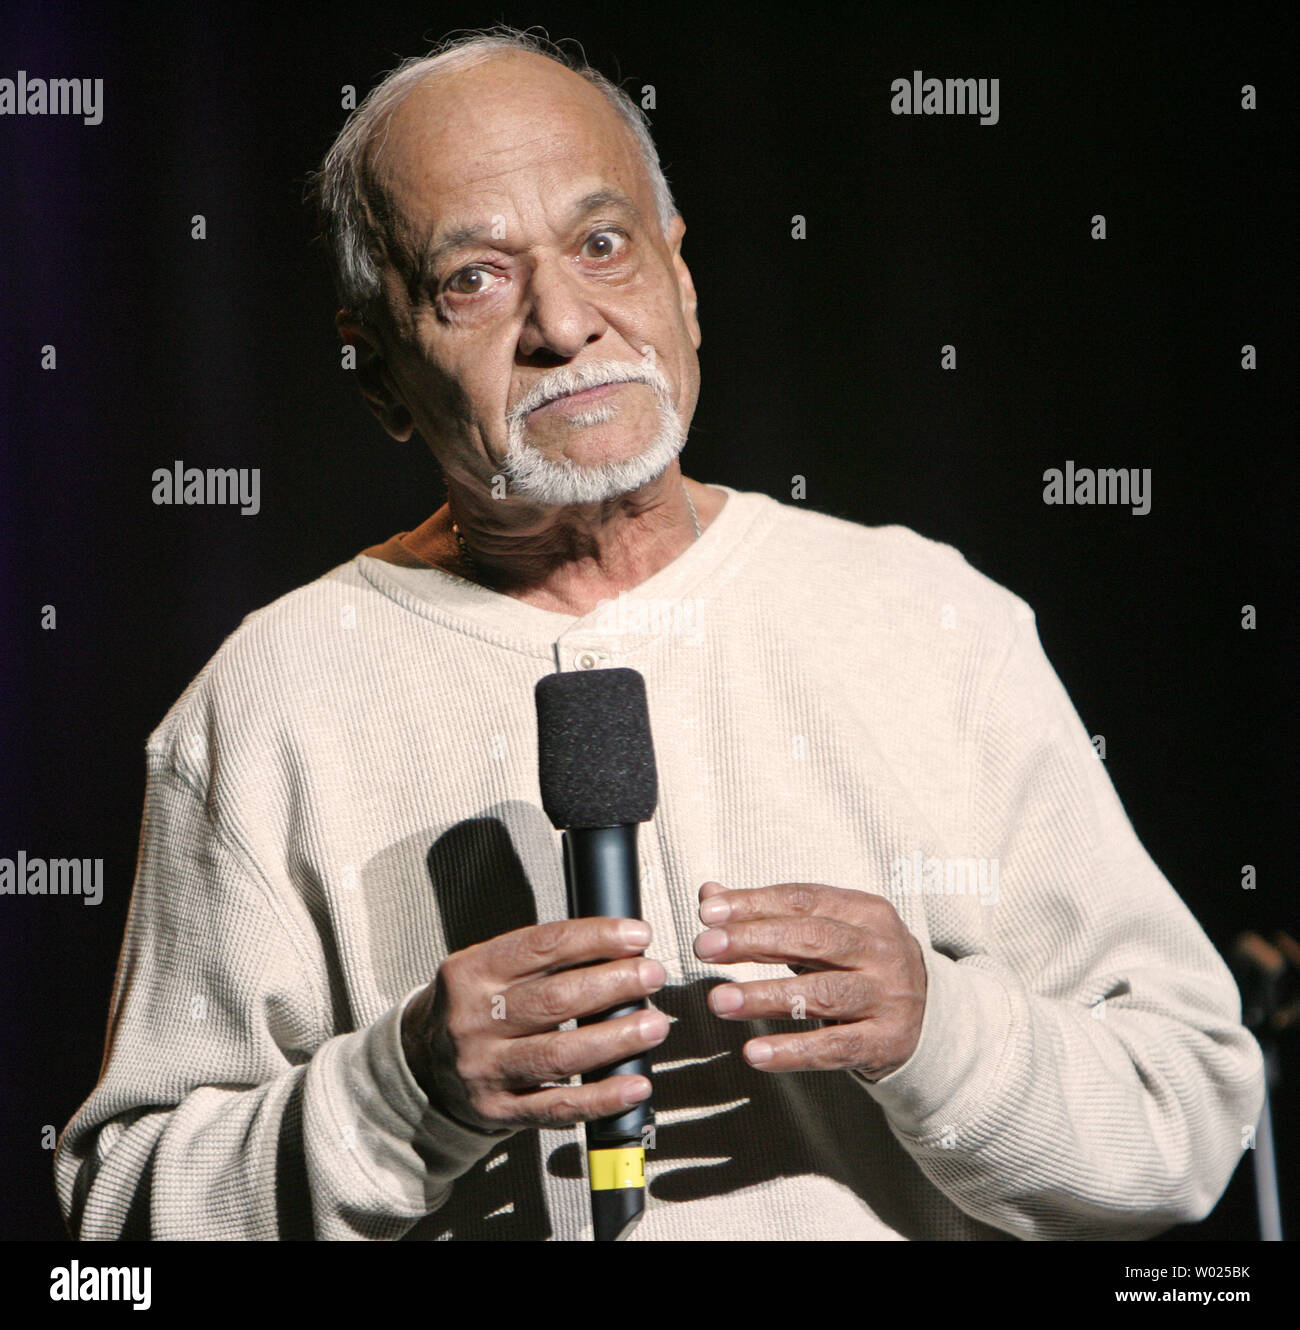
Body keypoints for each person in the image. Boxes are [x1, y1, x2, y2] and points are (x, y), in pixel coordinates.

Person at [55, 28, 1264, 1241]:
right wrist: (401, 1089)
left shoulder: (934, 619)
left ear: (680, 279)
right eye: (471, 278)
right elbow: (117, 1225)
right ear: (375, 370)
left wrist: (940, 1032)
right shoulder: (270, 699)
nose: (564, 323)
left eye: (600, 244)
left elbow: (1187, 1115)